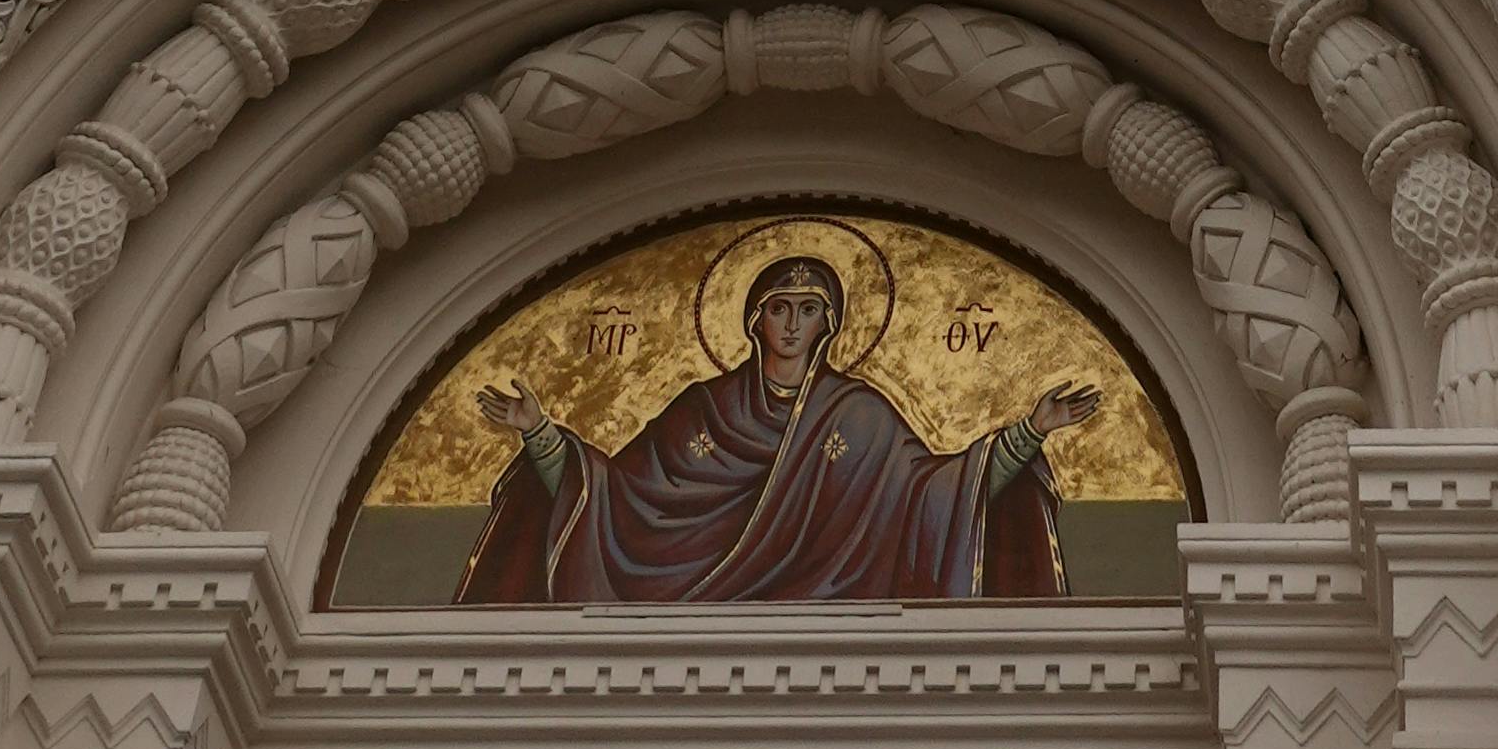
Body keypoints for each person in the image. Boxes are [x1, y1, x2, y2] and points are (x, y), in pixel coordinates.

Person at [453, 254, 1100, 606]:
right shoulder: (701, 411)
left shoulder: (859, 418)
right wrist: (539, 433)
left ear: (830, 325)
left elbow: (931, 496)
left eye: (809, 311)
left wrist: (1027, 433)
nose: (792, 325)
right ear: (754, 322)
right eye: (779, 310)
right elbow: (619, 498)